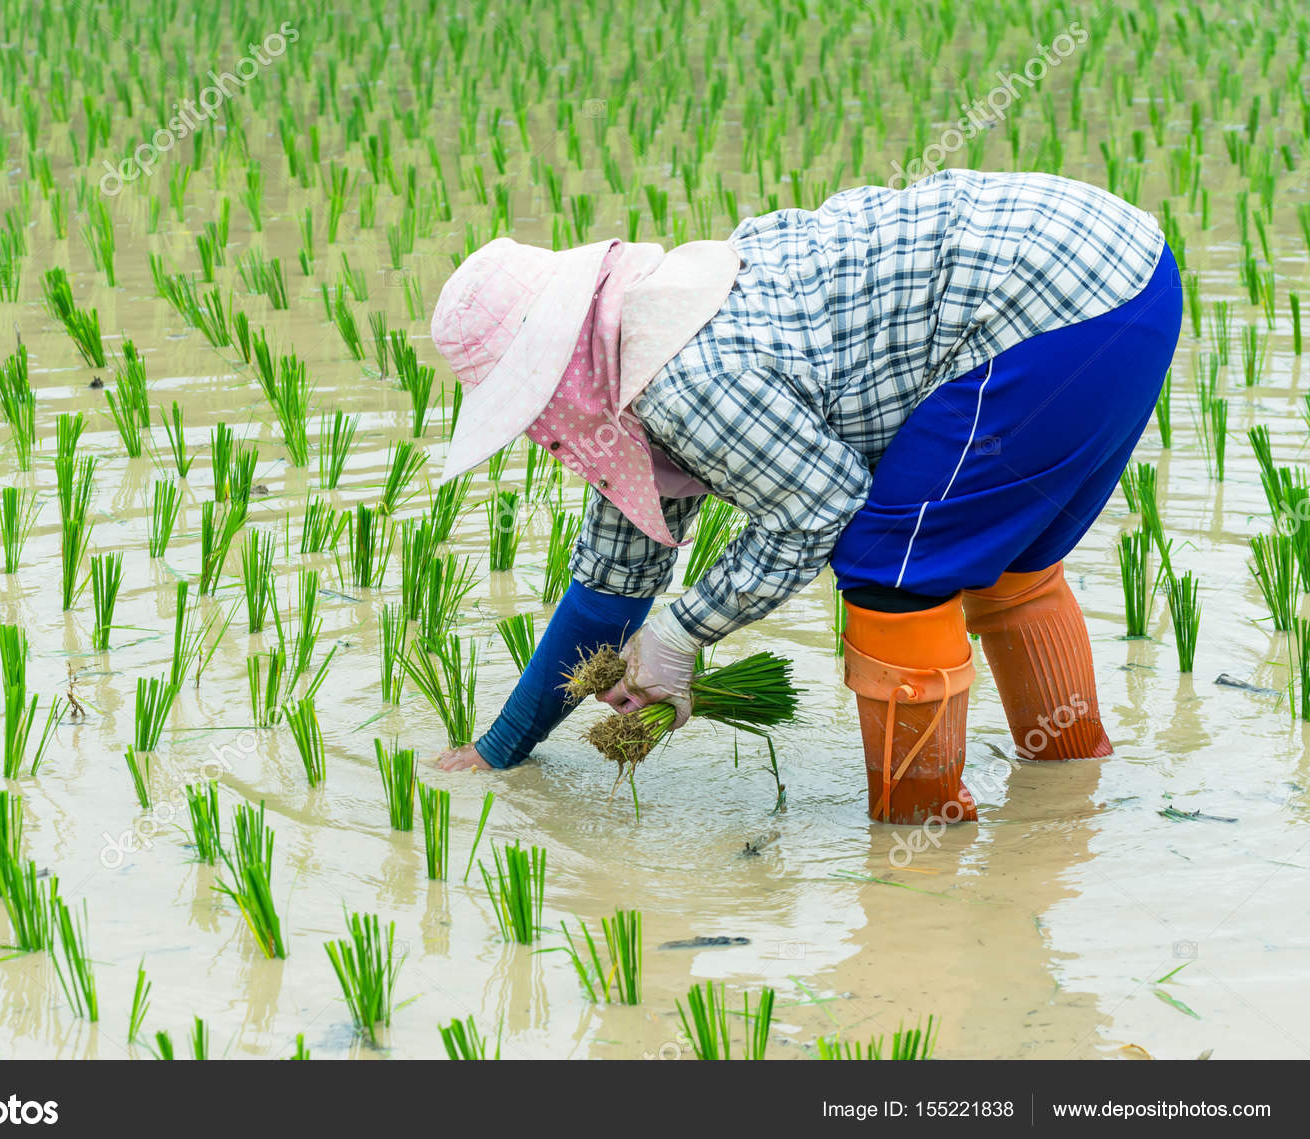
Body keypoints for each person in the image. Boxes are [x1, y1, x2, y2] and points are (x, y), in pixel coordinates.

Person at [427, 169, 1181, 825]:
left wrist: (680, 637)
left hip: (1050, 307)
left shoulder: (685, 377)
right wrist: (500, 751)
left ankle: (919, 841)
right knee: (1007, 568)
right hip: (1126, 278)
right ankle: (1072, 782)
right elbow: (609, 589)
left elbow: (818, 507)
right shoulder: (642, 340)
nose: (542, 430)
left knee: (893, 571)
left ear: (558, 372)